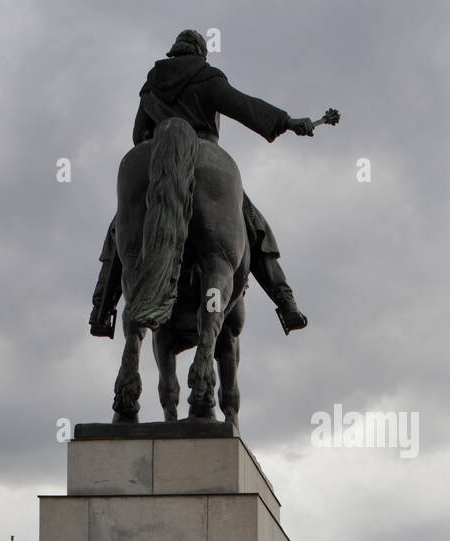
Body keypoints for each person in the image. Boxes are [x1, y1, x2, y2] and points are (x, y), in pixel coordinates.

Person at [90, 29, 313, 339]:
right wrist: (285, 121)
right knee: (255, 225)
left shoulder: (152, 83)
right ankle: (285, 302)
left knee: (119, 232)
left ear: (175, 50)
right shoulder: (206, 76)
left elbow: (139, 132)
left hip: (156, 160)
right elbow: (242, 105)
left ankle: (102, 307)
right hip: (205, 152)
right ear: (200, 53)